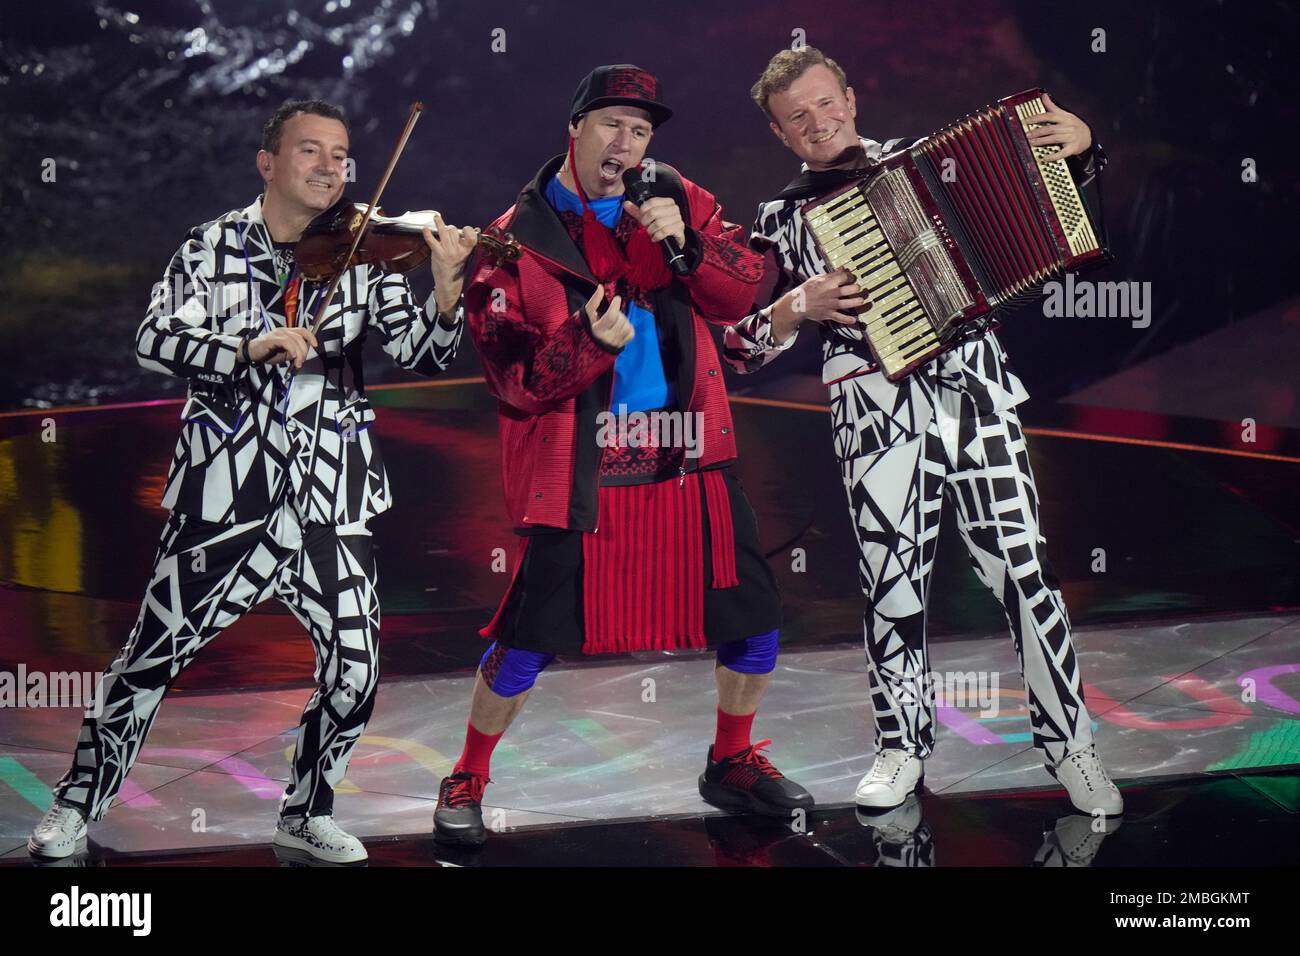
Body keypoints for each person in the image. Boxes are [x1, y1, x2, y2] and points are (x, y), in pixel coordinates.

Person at [28, 98, 479, 863]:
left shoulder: (368, 249)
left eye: (341, 154)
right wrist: (244, 346)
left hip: (331, 495)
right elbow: (152, 338)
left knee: (356, 670)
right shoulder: (210, 246)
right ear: (268, 162)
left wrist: (445, 287)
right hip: (224, 495)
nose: (331, 166)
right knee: (148, 660)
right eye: (311, 151)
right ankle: (75, 806)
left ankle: (306, 812)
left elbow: (424, 354)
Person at [723, 48, 1122, 816]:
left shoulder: (925, 165)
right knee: (892, 586)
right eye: (795, 117)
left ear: (850, 96)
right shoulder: (776, 220)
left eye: (823, 103)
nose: (816, 123)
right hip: (873, 413)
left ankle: (1073, 746)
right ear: (780, 134)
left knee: (1026, 576)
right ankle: (902, 746)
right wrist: (795, 308)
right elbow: (740, 345)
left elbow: (1050, 202)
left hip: (977, 395)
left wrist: (1080, 143)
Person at [434, 65, 813, 846]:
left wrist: (688, 244)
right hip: (581, 466)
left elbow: (746, 290)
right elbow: (511, 381)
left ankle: (732, 761)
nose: (627, 143)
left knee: (754, 620)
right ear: (574, 130)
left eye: (641, 130)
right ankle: (468, 773)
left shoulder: (679, 199)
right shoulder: (515, 237)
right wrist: (585, 344)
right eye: (612, 124)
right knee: (529, 638)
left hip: (686, 455)